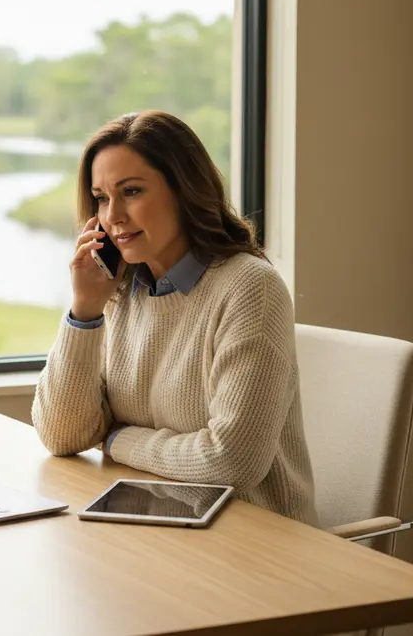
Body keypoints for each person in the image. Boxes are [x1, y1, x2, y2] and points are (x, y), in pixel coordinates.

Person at [32, 110, 317, 525]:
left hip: (252, 539)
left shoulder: (250, 289)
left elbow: (230, 463)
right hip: (153, 526)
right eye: (102, 197)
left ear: (183, 191)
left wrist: (117, 439)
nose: (113, 216)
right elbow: (61, 436)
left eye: (131, 191)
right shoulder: (119, 292)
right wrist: (84, 311)